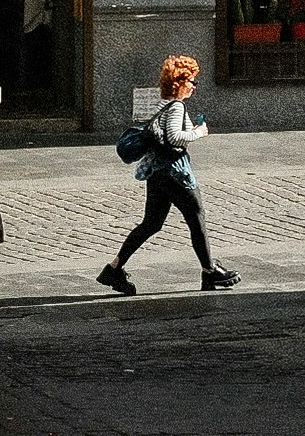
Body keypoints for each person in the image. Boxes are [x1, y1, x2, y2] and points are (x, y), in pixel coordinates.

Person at [98, 56, 239, 295]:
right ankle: (209, 271)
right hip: (175, 173)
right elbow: (174, 137)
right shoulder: (176, 107)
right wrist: (199, 132)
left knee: (151, 224)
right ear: (180, 82)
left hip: (158, 173)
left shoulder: (163, 106)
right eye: (192, 81)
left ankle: (114, 269)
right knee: (197, 218)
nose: (195, 86)